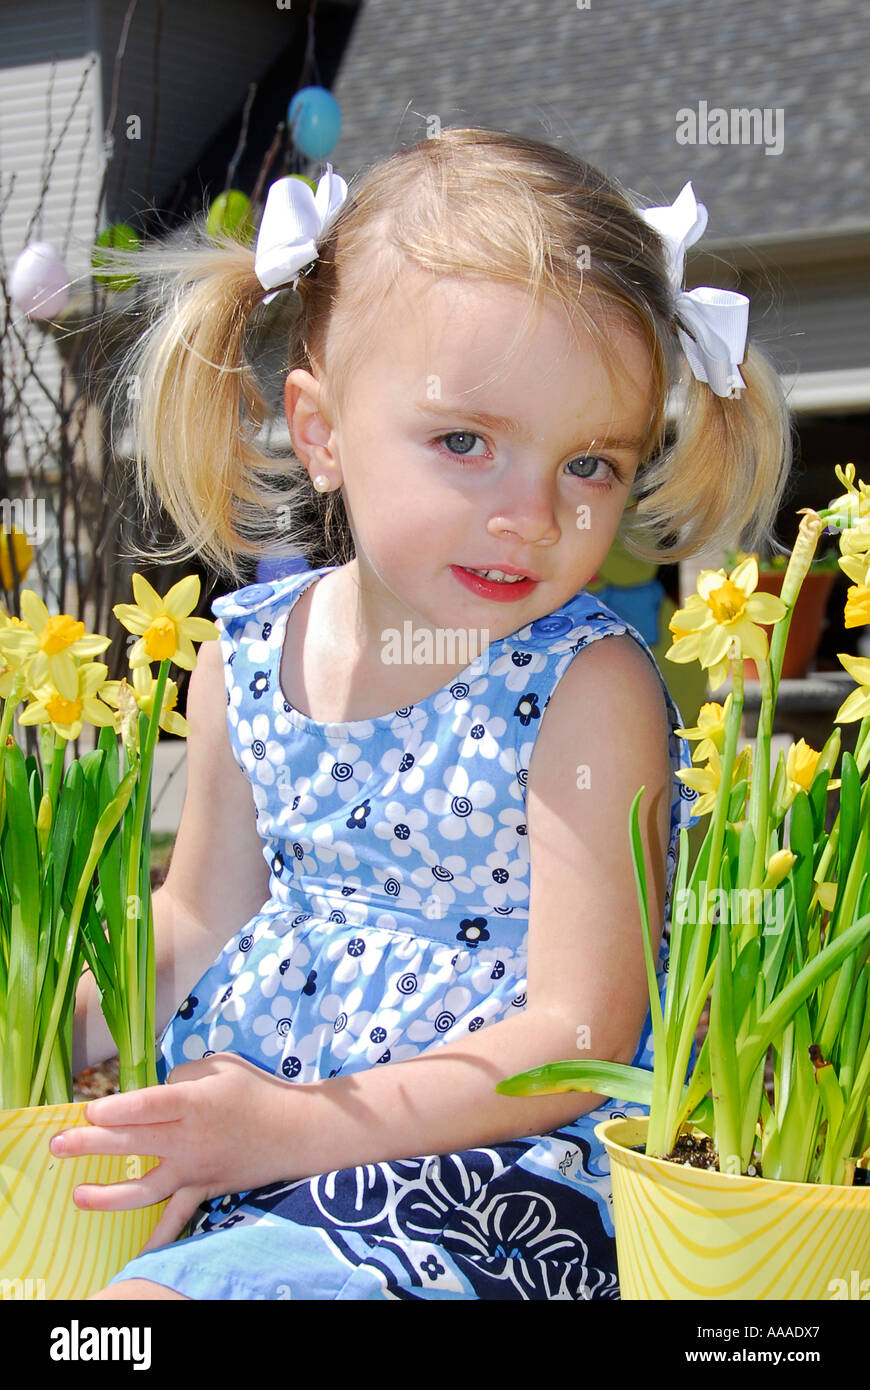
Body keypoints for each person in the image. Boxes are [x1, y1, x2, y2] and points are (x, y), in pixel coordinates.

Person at [66, 127, 791, 1300]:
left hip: (474, 1174)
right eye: (466, 443)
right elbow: (196, 917)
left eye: (590, 465)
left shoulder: (586, 688)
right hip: (253, 1135)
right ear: (321, 434)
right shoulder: (247, 658)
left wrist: (293, 1131)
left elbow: (579, 1036)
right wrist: (64, 1015)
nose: (532, 515)